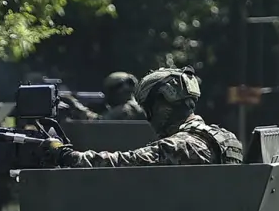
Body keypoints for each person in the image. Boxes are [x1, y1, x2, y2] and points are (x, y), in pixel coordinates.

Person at [50, 68, 242, 167]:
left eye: (150, 108)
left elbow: (123, 163)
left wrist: (64, 155)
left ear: (162, 104)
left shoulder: (179, 147)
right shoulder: (225, 138)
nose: (149, 117)